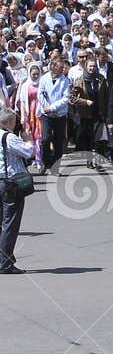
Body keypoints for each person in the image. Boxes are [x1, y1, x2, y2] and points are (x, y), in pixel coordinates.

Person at [0, 105, 34, 275]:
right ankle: (5, 263)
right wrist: (29, 140)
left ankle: (3, 260)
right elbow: (28, 152)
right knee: (10, 223)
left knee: (2, 222)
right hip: (10, 183)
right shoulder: (9, 138)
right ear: (9, 122)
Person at [37, 53, 71, 174]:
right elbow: (40, 94)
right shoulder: (44, 78)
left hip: (59, 114)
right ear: (53, 67)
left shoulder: (65, 81)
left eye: (63, 67)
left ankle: (56, 166)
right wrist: (46, 107)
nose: (62, 69)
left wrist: (52, 108)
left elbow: (65, 98)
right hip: (46, 114)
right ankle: (45, 162)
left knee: (58, 141)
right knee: (45, 139)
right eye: (60, 67)